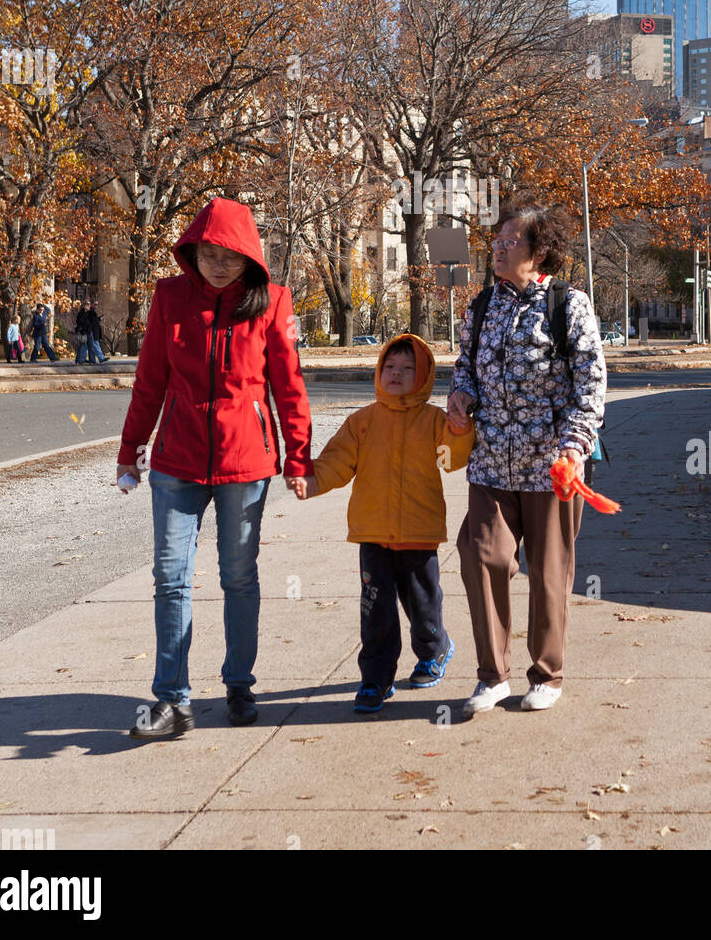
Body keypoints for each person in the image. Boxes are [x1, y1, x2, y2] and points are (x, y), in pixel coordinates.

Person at [115, 196, 313, 740]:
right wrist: (131, 448)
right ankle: (172, 701)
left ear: (249, 256)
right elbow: (150, 379)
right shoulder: (170, 297)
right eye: (208, 253)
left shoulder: (272, 301)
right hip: (176, 462)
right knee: (170, 577)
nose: (219, 264)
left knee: (239, 576)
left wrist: (298, 456)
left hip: (244, 462)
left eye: (230, 254)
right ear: (192, 252)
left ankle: (239, 684)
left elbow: (288, 387)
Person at [447, 197, 607, 714]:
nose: (498, 248)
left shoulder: (569, 305)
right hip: (492, 461)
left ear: (539, 252)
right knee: (480, 554)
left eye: (510, 241)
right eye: (496, 241)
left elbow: (591, 384)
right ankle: (492, 674)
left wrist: (574, 447)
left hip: (552, 465)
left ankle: (546, 674)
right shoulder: (480, 305)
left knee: (548, 571)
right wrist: (461, 394)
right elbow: (465, 366)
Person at [293, 335, 474, 712]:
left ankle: (434, 649)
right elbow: (337, 463)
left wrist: (458, 431)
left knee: (423, 605)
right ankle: (375, 680)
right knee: (376, 611)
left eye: (408, 369)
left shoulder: (434, 421)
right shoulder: (362, 422)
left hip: (419, 532)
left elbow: (450, 461)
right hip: (372, 532)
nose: (397, 374)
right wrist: (312, 482)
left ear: (422, 377)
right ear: (379, 371)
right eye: (390, 367)